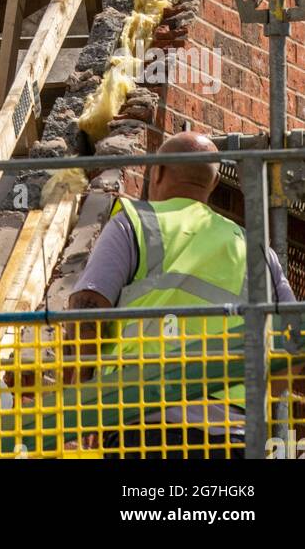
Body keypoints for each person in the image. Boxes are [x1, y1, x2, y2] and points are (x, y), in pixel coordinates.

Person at [67, 131, 297, 458]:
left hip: (144, 426)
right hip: (233, 438)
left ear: (156, 172)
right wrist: (261, 402)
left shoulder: (134, 223)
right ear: (213, 185)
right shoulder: (257, 250)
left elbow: (85, 310)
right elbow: (293, 341)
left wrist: (84, 399)